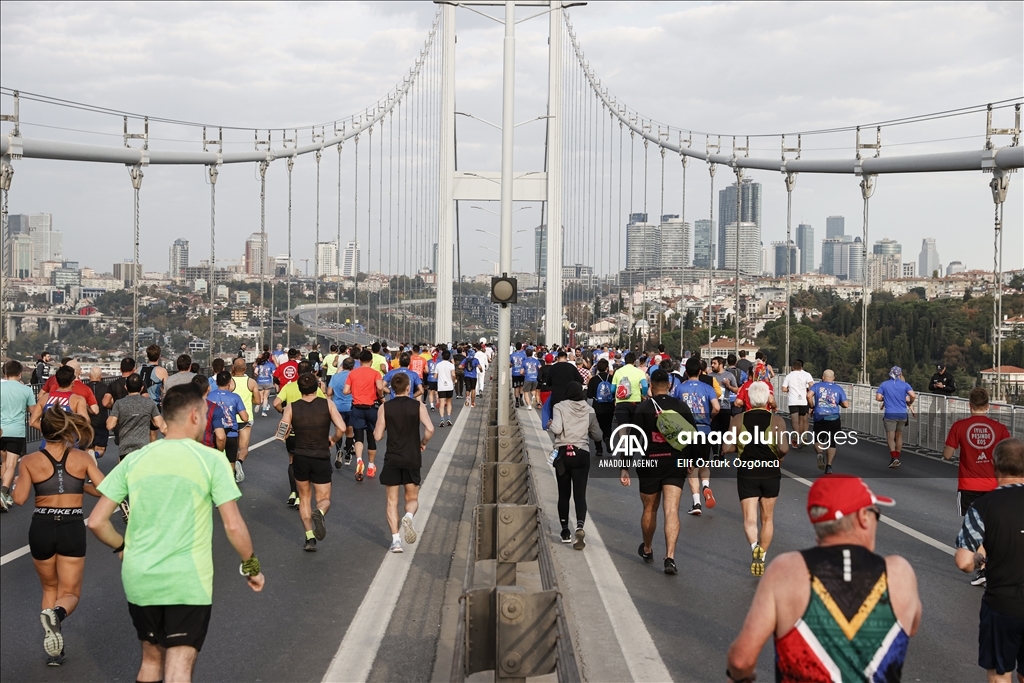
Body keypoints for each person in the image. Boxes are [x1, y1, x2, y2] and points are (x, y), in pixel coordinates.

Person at [89, 382, 264, 683]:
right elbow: (233, 525)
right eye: (205, 414)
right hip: (186, 581)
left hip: (140, 577)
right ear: (195, 416)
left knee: (151, 660)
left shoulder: (135, 459)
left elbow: (96, 521)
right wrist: (251, 566)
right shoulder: (210, 460)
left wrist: (122, 549)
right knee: (180, 665)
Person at [727, 474, 921, 683]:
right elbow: (911, 627)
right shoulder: (900, 574)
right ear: (863, 519)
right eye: (876, 514)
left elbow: (741, 661)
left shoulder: (785, 571)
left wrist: (739, 678)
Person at [11, 408, 104, 666]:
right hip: (71, 525)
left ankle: (55, 650)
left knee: (49, 587)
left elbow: (18, 499)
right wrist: (80, 486)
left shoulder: (29, 461)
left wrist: (20, 480)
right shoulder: (82, 458)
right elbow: (105, 489)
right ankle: (58, 615)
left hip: (41, 525)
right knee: (70, 592)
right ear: (66, 429)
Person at [954, 438, 1024, 683]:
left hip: (1002, 605)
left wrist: (979, 558)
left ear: (994, 466)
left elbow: (964, 562)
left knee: (999, 676)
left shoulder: (982, 507)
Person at [619, 370, 696, 575]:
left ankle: (647, 548)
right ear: (669, 386)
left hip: (650, 463)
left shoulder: (643, 408)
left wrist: (624, 466)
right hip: (675, 463)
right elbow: (692, 435)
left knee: (649, 509)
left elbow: (632, 439)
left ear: (650, 386)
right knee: (672, 510)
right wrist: (691, 460)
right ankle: (670, 557)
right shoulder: (681, 406)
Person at [944, 387, 1011, 586]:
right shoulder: (999, 428)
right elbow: (1008, 456)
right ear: (988, 406)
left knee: (977, 528)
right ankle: (992, 566)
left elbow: (947, 454)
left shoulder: (959, 426)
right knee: (993, 527)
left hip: (968, 485)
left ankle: (984, 570)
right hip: (994, 485)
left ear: (970, 406)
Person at [722, 382, 789, 576]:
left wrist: (741, 447)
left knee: (749, 519)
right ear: (767, 399)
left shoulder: (737, 419)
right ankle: (763, 555)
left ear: (749, 399)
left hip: (747, 471)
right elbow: (783, 448)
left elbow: (726, 448)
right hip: (770, 471)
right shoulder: (777, 420)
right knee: (767, 519)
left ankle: (754, 547)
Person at [280, 373, 347, 551]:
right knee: (324, 499)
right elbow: (341, 428)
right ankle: (320, 512)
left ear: (300, 388)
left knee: (304, 498)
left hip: (300, 457)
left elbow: (281, 433)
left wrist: (286, 433)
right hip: (321, 456)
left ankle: (309, 538)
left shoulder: (292, 407)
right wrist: (333, 439)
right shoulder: (327, 404)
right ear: (317, 387)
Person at [372, 372, 434, 553]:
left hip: (392, 457)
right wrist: (422, 443)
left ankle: (396, 541)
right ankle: (408, 516)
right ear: (409, 388)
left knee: (392, 500)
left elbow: (377, 435)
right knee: (412, 498)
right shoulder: (418, 406)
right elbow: (430, 429)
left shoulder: (385, 408)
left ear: (392, 389)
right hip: (412, 456)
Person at [549, 381, 602, 550]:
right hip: (582, 454)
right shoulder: (589, 410)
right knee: (580, 494)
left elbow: (557, 429)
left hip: (564, 454)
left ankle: (565, 531)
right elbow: (598, 435)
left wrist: (550, 424)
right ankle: (580, 526)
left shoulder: (559, 406)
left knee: (563, 494)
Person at [274, 362, 326, 505]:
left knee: (292, 461)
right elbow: (324, 404)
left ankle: (293, 493)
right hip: (311, 432)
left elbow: (275, 403)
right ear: (310, 372)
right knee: (308, 462)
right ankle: (301, 496)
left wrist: (283, 412)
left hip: (293, 433)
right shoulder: (314, 388)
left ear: (297, 372)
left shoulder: (289, 386)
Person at [674, 357, 720, 515]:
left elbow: (674, 409)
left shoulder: (680, 388)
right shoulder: (707, 387)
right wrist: (710, 417)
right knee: (704, 463)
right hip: (705, 430)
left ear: (686, 372)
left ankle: (696, 503)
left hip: (687, 432)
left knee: (690, 467)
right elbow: (717, 407)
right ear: (700, 371)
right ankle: (706, 486)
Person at [344, 349, 385, 482]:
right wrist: (381, 396)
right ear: (371, 361)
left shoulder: (353, 373)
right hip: (371, 407)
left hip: (357, 408)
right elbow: (379, 387)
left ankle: (359, 460)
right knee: (371, 437)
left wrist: (354, 390)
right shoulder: (375, 373)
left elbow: (345, 391)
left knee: (359, 437)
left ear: (359, 361)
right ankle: (371, 465)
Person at [1, 360, 37, 511]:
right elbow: (33, 411)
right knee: (11, 465)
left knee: (3, 463)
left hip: (0, 430)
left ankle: (5, 495)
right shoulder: (26, 390)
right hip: (16, 431)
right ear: (20, 373)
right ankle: (3, 492)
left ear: (5, 373)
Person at [807, 369, 850, 474]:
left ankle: (820, 453)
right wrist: (838, 403)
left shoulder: (817, 386)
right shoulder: (838, 388)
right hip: (834, 418)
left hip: (820, 417)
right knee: (832, 443)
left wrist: (812, 406)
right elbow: (846, 404)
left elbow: (808, 395)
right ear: (833, 378)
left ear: (823, 377)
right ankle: (829, 466)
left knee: (818, 440)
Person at [875, 366, 916, 468]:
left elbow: (878, 397)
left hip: (890, 413)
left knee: (890, 436)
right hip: (902, 413)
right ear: (900, 374)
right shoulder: (905, 385)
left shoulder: (884, 385)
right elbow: (913, 395)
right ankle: (897, 456)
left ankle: (894, 457)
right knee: (899, 436)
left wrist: (885, 398)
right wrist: (910, 402)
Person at [209, 371, 249, 474]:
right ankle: (230, 481)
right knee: (231, 461)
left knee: (214, 460)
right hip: (231, 432)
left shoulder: (209, 396)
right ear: (230, 382)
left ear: (216, 382)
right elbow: (245, 418)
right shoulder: (235, 397)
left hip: (214, 432)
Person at [31, 366, 90, 434]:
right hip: (68, 440)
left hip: (49, 441)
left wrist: (49, 430)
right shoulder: (78, 400)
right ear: (73, 382)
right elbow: (85, 421)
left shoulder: (45, 398)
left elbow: (33, 422)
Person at [230, 359, 258, 482]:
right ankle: (239, 462)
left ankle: (232, 468)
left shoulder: (229, 382)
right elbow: (258, 401)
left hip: (231, 417)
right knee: (244, 447)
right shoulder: (251, 382)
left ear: (233, 368)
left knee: (232, 447)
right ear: (245, 369)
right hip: (246, 417)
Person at [328, 356, 356, 467]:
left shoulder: (335, 377)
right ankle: (348, 454)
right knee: (350, 433)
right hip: (350, 407)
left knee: (338, 432)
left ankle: (339, 451)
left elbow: (329, 392)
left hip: (337, 407)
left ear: (342, 366)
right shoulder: (354, 377)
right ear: (352, 367)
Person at [586, 358, 615, 457]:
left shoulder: (594, 379)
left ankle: (599, 449)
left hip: (597, 406)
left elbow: (589, 394)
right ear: (607, 368)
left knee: (596, 427)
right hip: (609, 406)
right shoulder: (611, 378)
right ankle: (607, 438)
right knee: (607, 425)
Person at [611, 352, 648, 430]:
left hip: (620, 401)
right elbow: (645, 386)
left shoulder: (618, 372)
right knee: (633, 425)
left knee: (622, 426)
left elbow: (612, 389)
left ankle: (623, 441)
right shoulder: (639, 372)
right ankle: (630, 441)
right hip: (635, 402)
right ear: (634, 361)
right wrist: (643, 395)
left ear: (625, 360)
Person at [782, 359, 814, 448]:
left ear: (792, 367)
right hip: (804, 400)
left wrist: (790, 389)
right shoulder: (807, 375)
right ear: (801, 367)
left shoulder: (789, 376)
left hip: (793, 401)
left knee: (795, 421)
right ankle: (804, 436)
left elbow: (784, 389)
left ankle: (797, 437)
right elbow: (812, 385)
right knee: (804, 420)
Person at [84, 366, 114, 459]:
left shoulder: (85, 388)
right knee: (101, 448)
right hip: (101, 420)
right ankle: (96, 455)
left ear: (89, 375)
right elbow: (110, 403)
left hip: (87, 422)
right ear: (101, 376)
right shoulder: (106, 388)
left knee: (88, 447)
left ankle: (90, 465)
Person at [434, 349, 457, 428]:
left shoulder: (438, 365)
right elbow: (453, 375)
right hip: (449, 386)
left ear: (442, 356)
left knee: (442, 403)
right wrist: (454, 380)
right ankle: (449, 418)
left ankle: (442, 419)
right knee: (449, 402)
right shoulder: (451, 365)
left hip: (441, 386)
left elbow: (435, 376)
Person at [255, 351, 277, 416]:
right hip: (268, 381)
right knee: (265, 397)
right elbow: (274, 373)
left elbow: (255, 372)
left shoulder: (259, 364)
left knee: (261, 397)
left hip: (260, 381)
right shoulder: (271, 364)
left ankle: (258, 404)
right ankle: (263, 412)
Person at [511, 342, 527, 407]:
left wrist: (512, 365)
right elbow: (526, 363)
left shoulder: (512, 355)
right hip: (522, 373)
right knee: (521, 386)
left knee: (516, 388)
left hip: (515, 373)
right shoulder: (524, 354)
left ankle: (517, 401)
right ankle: (521, 398)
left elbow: (509, 364)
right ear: (521, 347)